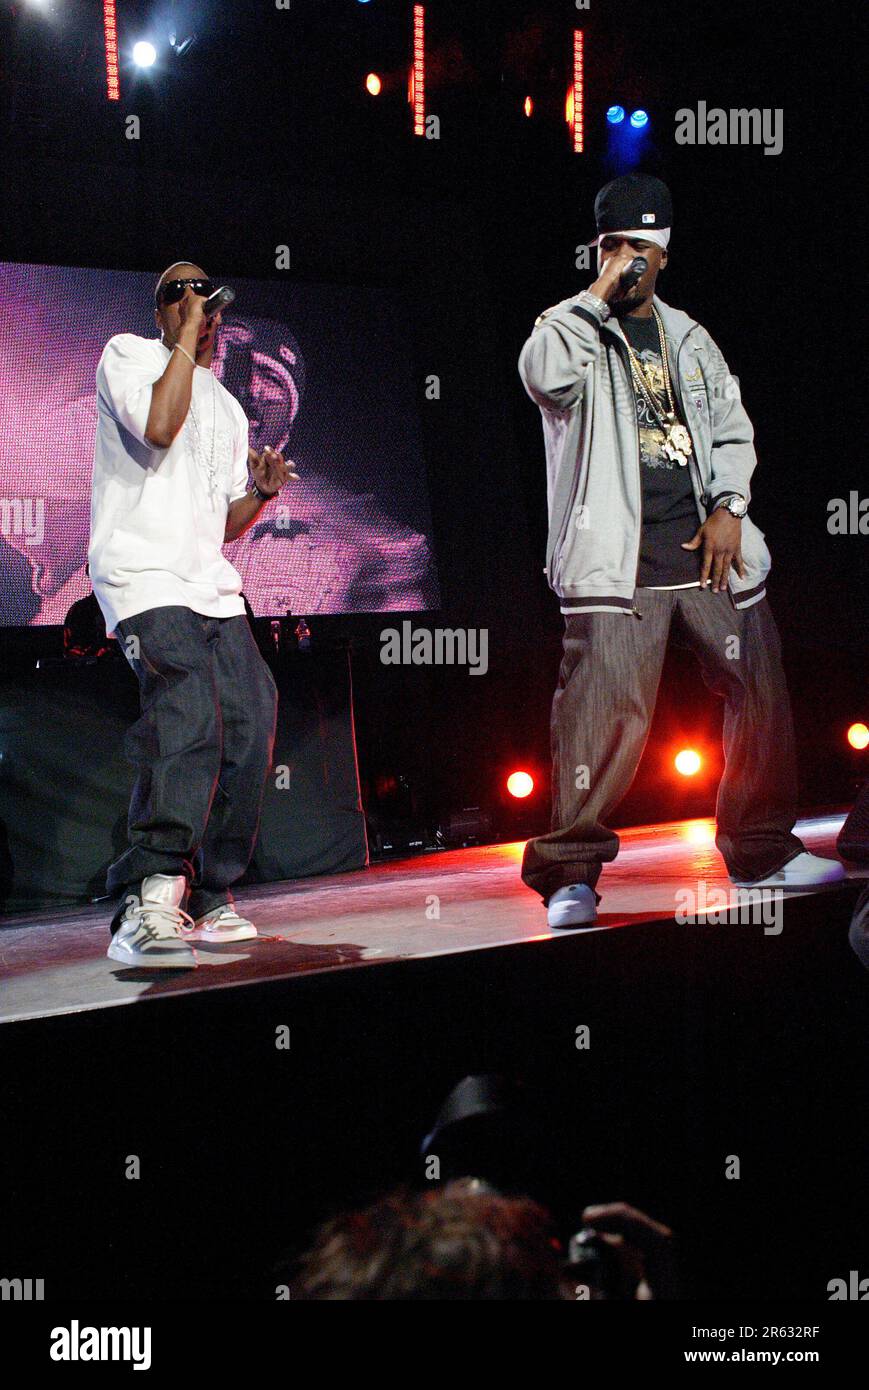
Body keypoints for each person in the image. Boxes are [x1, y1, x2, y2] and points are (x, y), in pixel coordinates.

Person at [519, 175, 844, 927]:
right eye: (612, 247)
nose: (626, 261)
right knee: (600, 720)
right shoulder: (567, 327)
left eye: (639, 249)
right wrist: (595, 293)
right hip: (616, 562)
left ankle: (761, 850)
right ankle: (570, 872)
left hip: (705, 551)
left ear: (663, 253)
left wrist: (731, 507)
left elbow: (732, 430)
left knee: (757, 696)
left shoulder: (690, 338)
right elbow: (541, 378)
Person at [89, 261, 299, 968]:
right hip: (143, 577)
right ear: (160, 310)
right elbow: (155, 426)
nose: (196, 302)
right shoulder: (129, 355)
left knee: (251, 716)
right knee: (187, 714)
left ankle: (209, 893)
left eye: (204, 293)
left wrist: (260, 496)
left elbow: (222, 525)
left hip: (209, 584)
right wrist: (180, 344)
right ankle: (148, 894)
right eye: (179, 292)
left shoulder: (231, 409)